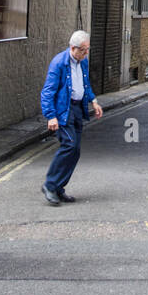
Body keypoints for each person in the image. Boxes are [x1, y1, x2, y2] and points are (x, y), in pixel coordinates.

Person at [40, 30, 102, 205]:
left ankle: (59, 188)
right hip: (63, 112)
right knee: (70, 145)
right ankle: (50, 185)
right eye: (83, 50)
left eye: (87, 49)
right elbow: (47, 92)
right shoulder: (59, 63)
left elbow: (85, 83)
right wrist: (51, 116)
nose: (86, 53)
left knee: (75, 151)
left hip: (77, 109)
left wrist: (94, 101)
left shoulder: (83, 62)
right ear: (73, 48)